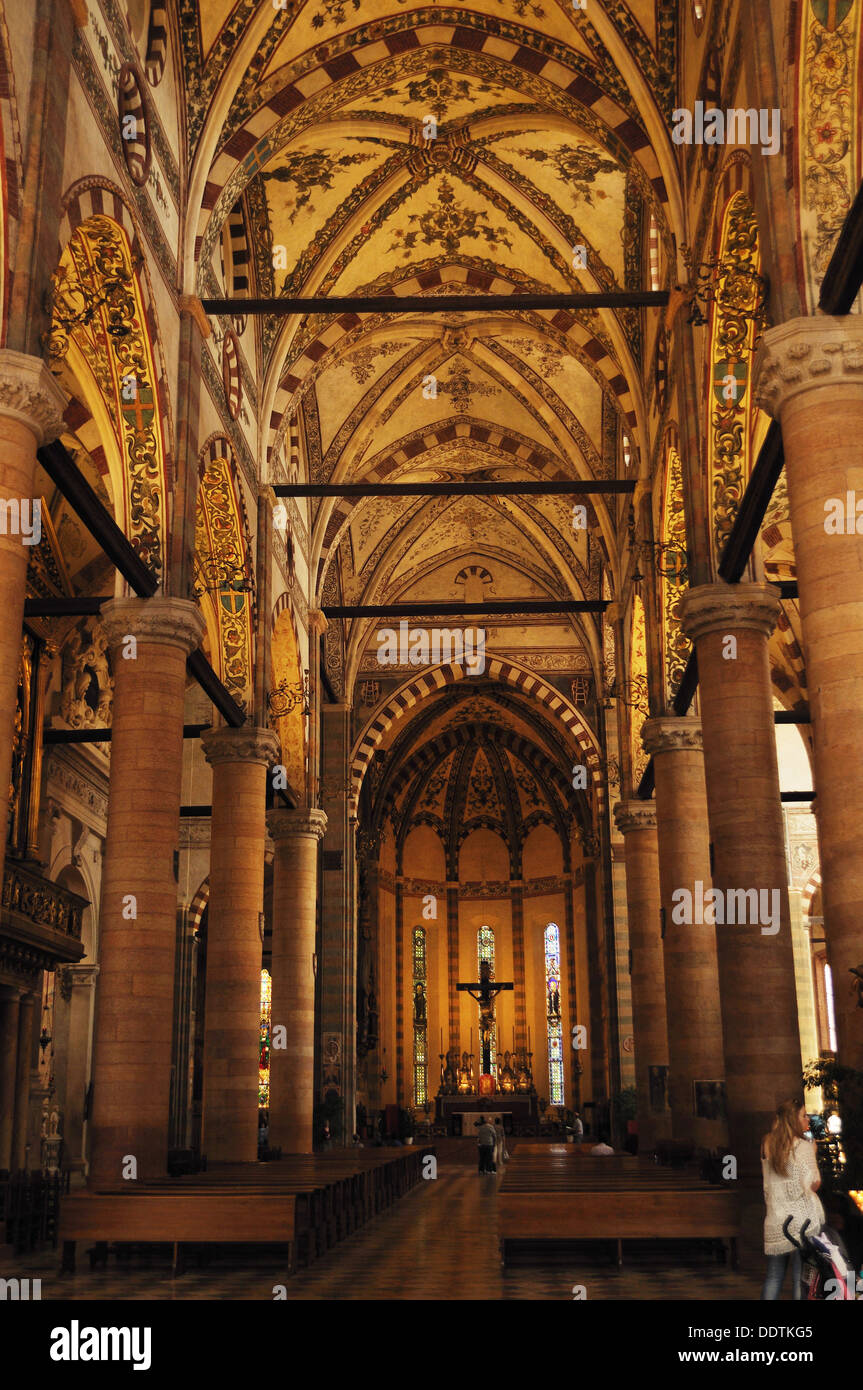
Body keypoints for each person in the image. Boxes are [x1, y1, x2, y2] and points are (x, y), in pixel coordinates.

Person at [760, 1097, 824, 1301]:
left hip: (775, 1219)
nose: (807, 1120)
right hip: (800, 1222)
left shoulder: (767, 1143)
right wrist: (813, 1153)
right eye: (804, 1115)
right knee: (799, 1278)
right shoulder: (803, 1147)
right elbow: (813, 1183)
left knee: (773, 1277)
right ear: (793, 1119)